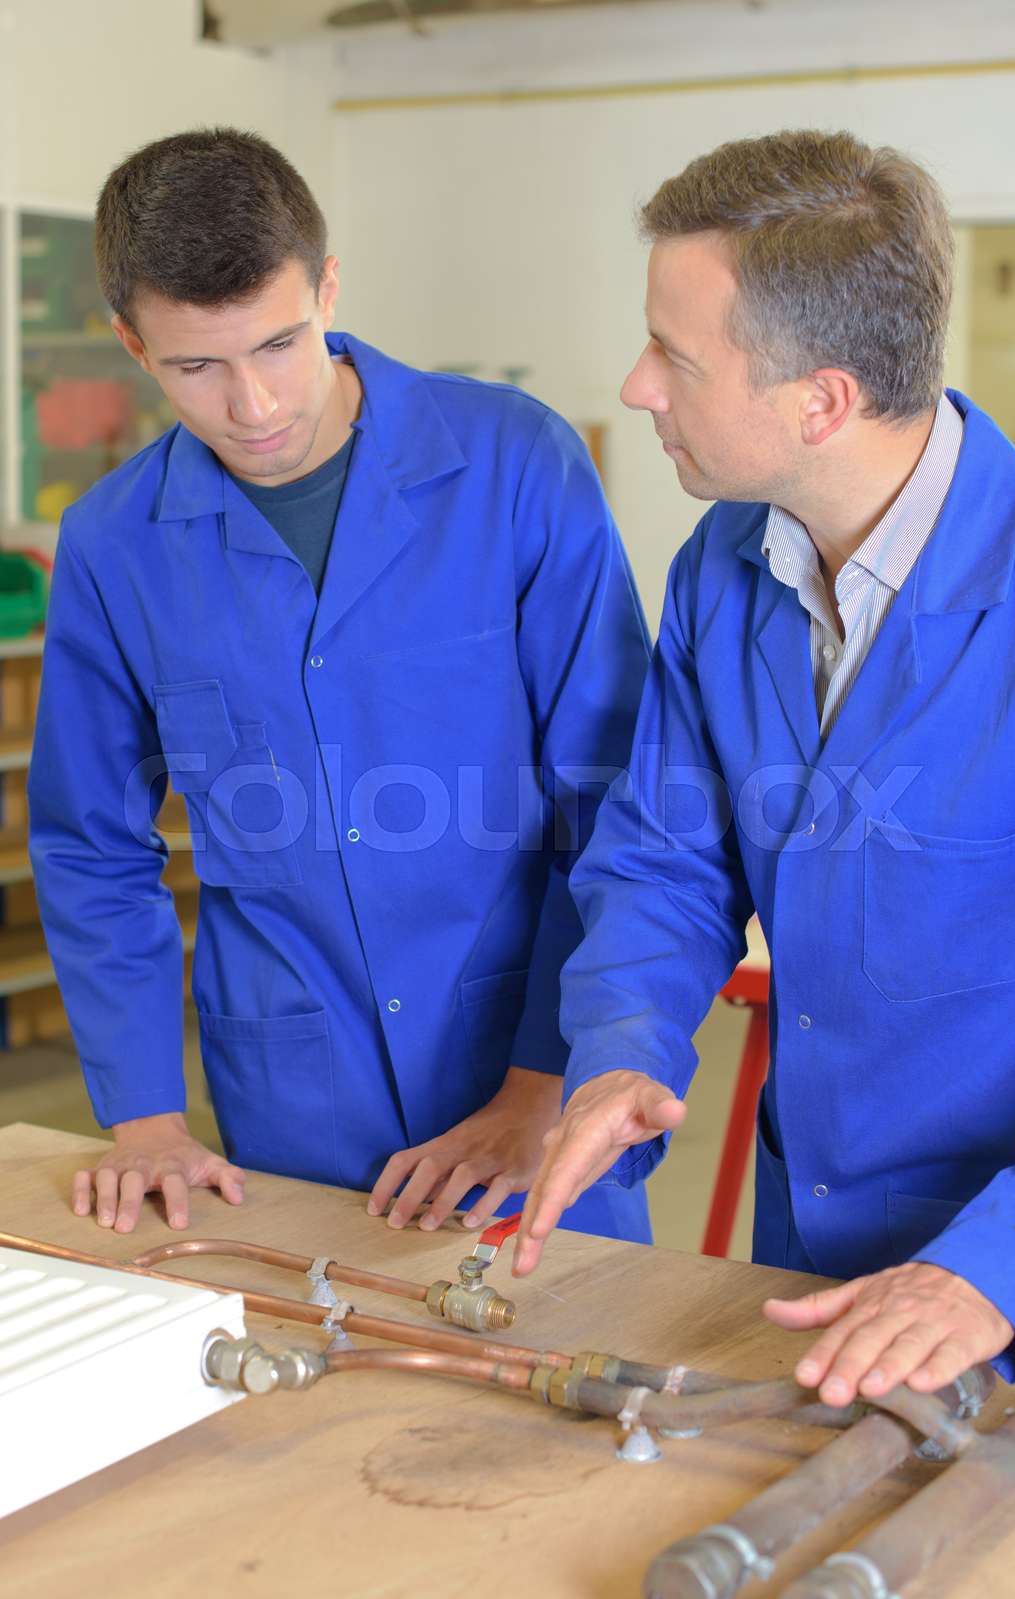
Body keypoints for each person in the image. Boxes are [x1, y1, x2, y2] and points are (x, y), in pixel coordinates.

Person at [514, 128, 1015, 1406]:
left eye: (674, 356)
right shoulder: (722, 569)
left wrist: (1003, 1269)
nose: (636, 386)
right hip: (799, 1250)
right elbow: (661, 860)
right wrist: (620, 1048)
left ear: (818, 400)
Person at [28, 127, 651, 1247]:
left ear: (326, 287)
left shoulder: (513, 464)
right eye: (196, 368)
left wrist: (542, 1080)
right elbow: (90, 845)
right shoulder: (115, 545)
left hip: (528, 1072)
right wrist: (145, 1119)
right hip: (293, 1100)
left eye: (279, 345)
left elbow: (610, 798)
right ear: (132, 344)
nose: (255, 405)